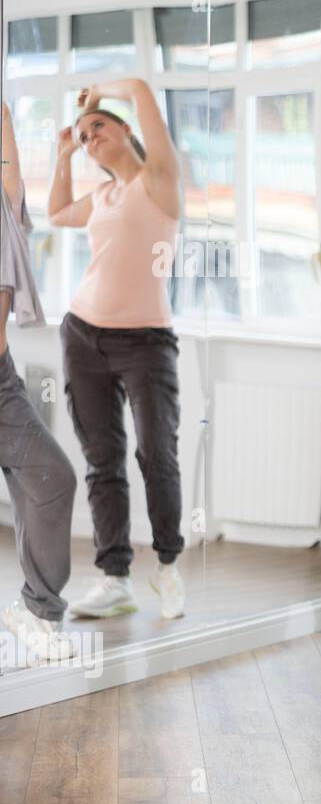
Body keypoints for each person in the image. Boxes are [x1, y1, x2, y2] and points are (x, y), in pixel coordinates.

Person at [48, 80, 186, 620]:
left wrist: (98, 95)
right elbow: (57, 213)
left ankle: (169, 569)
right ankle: (115, 578)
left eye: (98, 127)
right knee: (102, 461)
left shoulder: (158, 182)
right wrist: (62, 153)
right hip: (83, 334)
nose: (90, 138)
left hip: (147, 341)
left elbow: (142, 90)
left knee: (158, 455)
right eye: (84, 136)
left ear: (126, 128)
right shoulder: (102, 197)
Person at [0, 101, 77, 665]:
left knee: (51, 480)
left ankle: (35, 611)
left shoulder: (6, 207)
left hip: (1, 382)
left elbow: (9, 167)